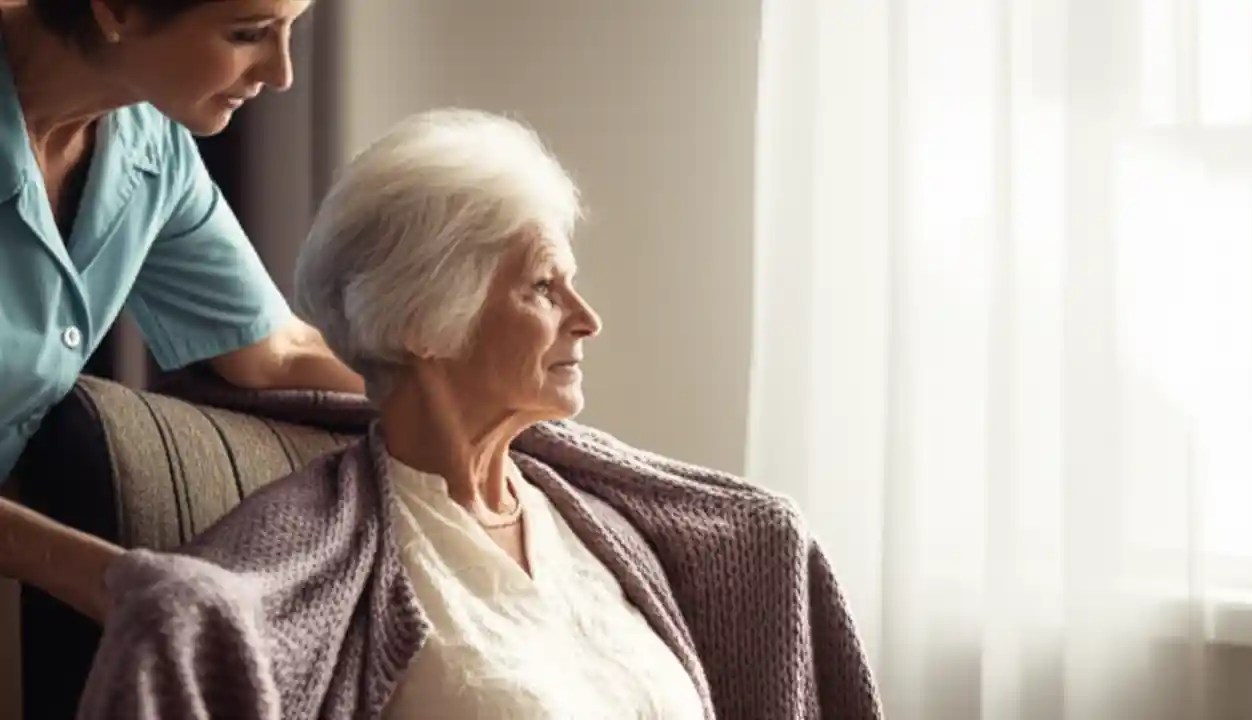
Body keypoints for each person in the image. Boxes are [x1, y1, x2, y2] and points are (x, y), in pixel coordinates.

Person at [77, 110, 882, 720]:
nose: (586, 317)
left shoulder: (605, 528)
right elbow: (196, 623)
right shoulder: (331, 550)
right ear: (427, 322)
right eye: (542, 287)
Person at [0, 0, 362, 623]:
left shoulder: (150, 143)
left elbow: (273, 353)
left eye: (291, 31)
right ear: (117, 9)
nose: (281, 74)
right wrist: (107, 578)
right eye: (249, 34)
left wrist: (463, 401)